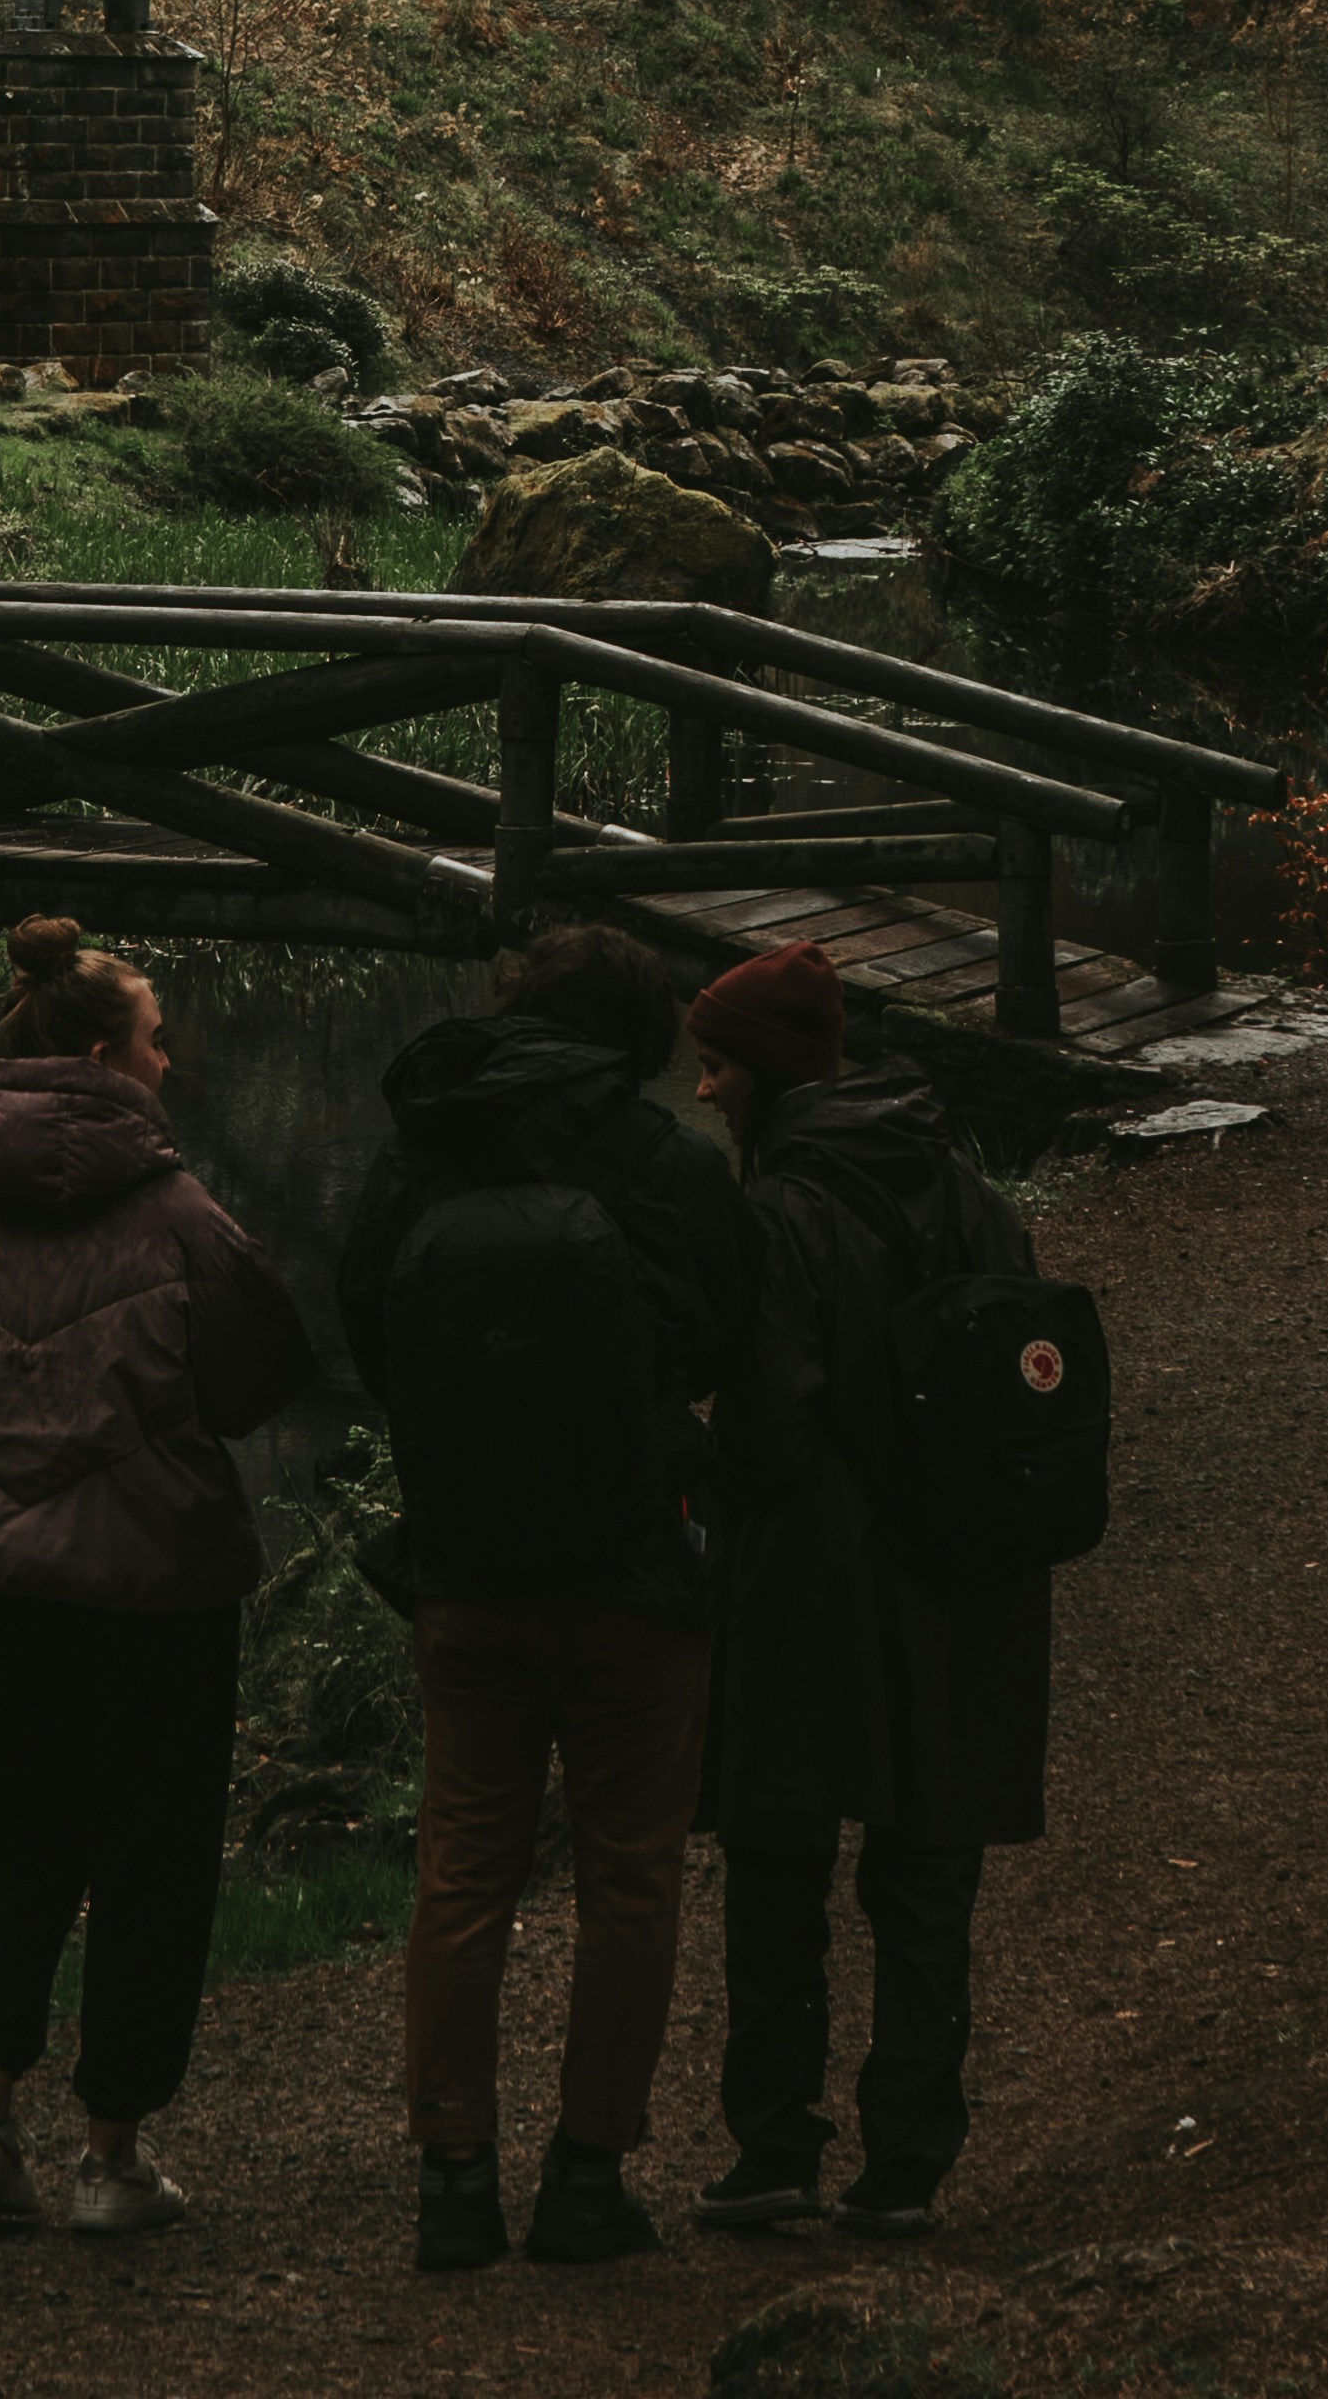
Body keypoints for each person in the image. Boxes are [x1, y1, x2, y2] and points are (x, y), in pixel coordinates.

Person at [0, 912, 316, 2241]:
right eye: (153, 1037)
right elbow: (258, 1384)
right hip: (149, 1583)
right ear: (98, 1057)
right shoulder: (183, 1218)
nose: (170, 1060)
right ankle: (111, 2153)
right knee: (149, 1856)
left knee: (10, 1834)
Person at [338, 920, 754, 2274]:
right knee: (629, 1879)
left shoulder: (420, 1155)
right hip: (636, 1570)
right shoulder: (673, 1169)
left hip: (464, 1568)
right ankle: (585, 2179)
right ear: (639, 1038)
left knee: (463, 1869)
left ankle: (453, 2179)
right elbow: (728, 1336)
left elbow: (368, 1336)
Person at [685, 940, 1052, 2245]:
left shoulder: (776, 1211)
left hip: (813, 1583)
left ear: (770, 1073)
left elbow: (768, 1428)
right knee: (925, 1867)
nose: (703, 1093)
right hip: (962, 1570)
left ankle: (774, 2148)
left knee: (779, 1857)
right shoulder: (966, 1190)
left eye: (717, 1066)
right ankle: (905, 2164)